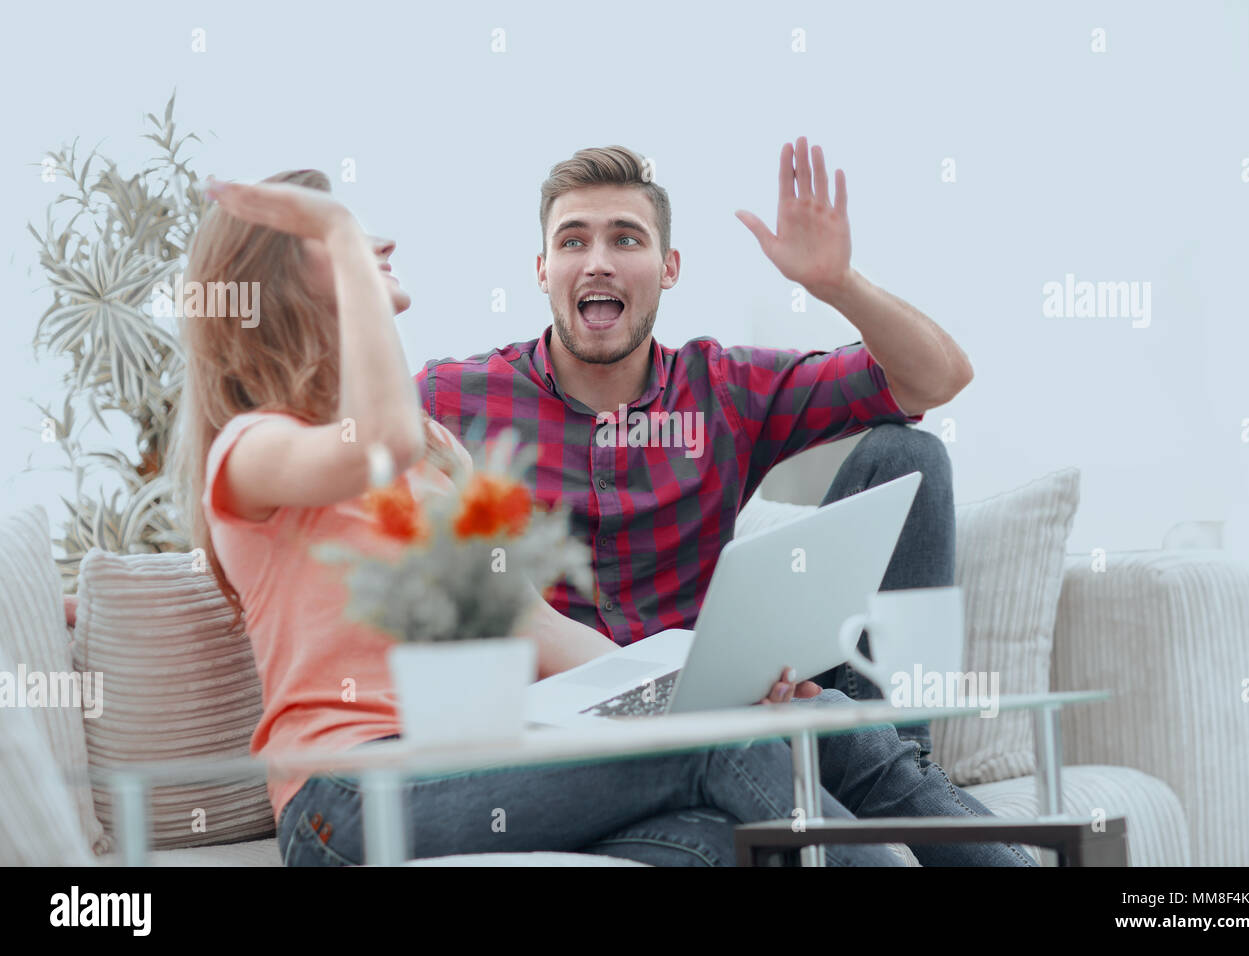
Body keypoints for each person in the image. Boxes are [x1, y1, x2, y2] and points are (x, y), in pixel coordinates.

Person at [175, 167, 1033, 867]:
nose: (380, 247)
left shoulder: (437, 475)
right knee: (719, 748)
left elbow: (537, 626)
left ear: (667, 265)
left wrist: (703, 691)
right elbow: (378, 436)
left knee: (723, 827)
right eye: (348, 242)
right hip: (347, 797)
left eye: (626, 238)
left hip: (477, 761)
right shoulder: (254, 448)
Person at [417, 140, 1033, 867]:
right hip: (586, 730)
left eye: (627, 238)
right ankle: (889, 763)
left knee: (911, 455)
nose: (598, 261)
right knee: (838, 728)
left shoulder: (724, 390)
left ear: (669, 268)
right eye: (573, 240)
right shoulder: (452, 398)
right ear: (542, 268)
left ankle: (895, 749)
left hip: (732, 692)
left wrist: (838, 285)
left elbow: (938, 379)